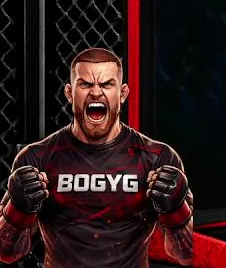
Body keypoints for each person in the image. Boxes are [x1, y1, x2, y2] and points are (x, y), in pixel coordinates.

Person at [0, 48, 194, 267]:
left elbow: (184, 254)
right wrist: (17, 210)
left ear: (122, 93)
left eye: (106, 84)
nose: (95, 93)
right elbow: (7, 253)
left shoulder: (157, 157)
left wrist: (176, 210)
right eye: (85, 84)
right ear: (69, 93)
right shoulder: (37, 157)